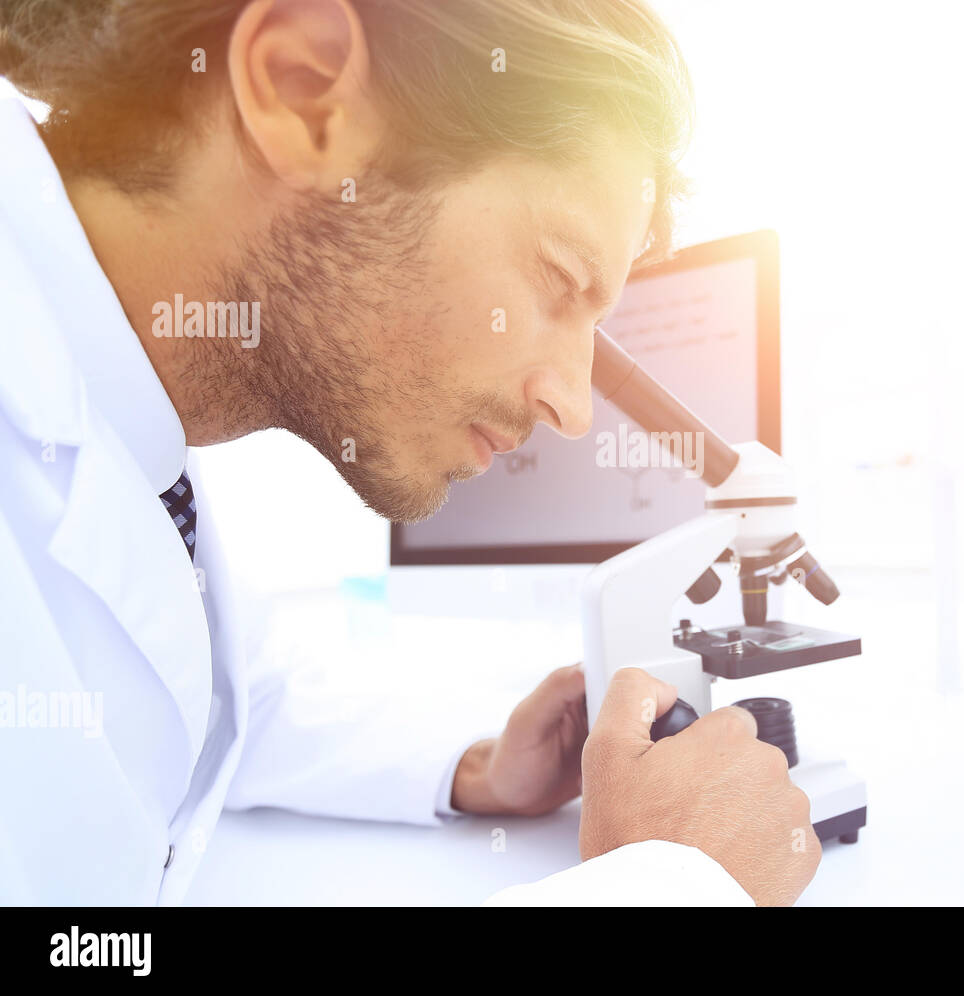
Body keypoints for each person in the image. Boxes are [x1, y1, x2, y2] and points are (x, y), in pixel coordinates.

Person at [0, 0, 819, 905]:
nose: (575, 410)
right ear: (302, 91)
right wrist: (673, 884)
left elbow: (222, 704)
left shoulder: (127, 423)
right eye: (556, 277)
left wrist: (477, 770)